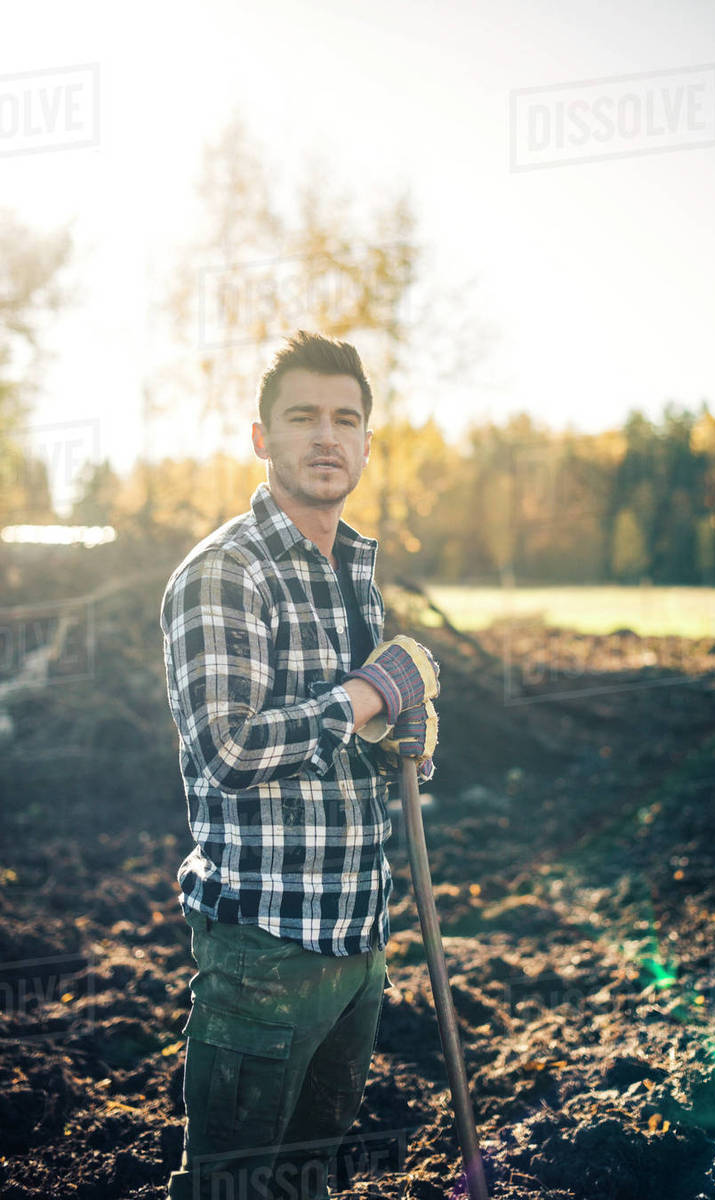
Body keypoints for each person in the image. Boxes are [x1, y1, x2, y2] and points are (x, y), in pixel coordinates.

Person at [160, 331, 439, 1200]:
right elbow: (229, 749)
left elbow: (355, 727)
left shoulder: (352, 570)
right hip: (266, 951)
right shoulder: (225, 574)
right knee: (230, 1190)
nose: (327, 437)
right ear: (261, 438)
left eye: (346, 419)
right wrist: (364, 694)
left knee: (303, 1185)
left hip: (357, 942)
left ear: (366, 441)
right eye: (304, 417)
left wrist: (403, 728)